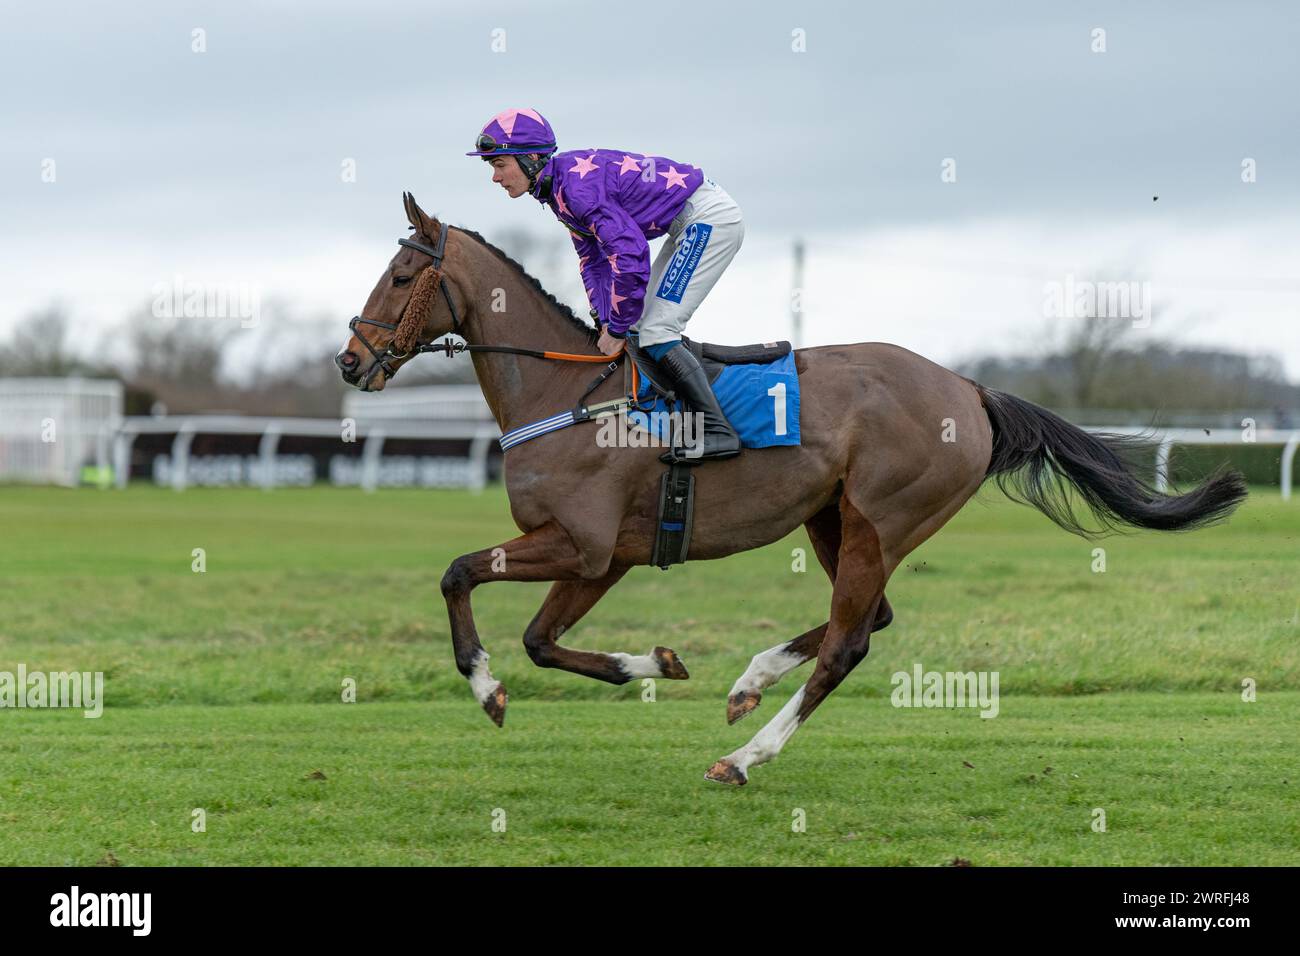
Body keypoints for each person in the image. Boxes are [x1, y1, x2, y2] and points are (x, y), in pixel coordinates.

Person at [467, 108, 743, 461]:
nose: (495, 177)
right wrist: (603, 321)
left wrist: (617, 324)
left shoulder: (576, 189)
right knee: (641, 326)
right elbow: (593, 261)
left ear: (532, 158)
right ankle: (677, 417)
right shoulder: (559, 190)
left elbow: (630, 253)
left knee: (656, 328)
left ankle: (718, 431)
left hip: (709, 219)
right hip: (688, 221)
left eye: (500, 164)